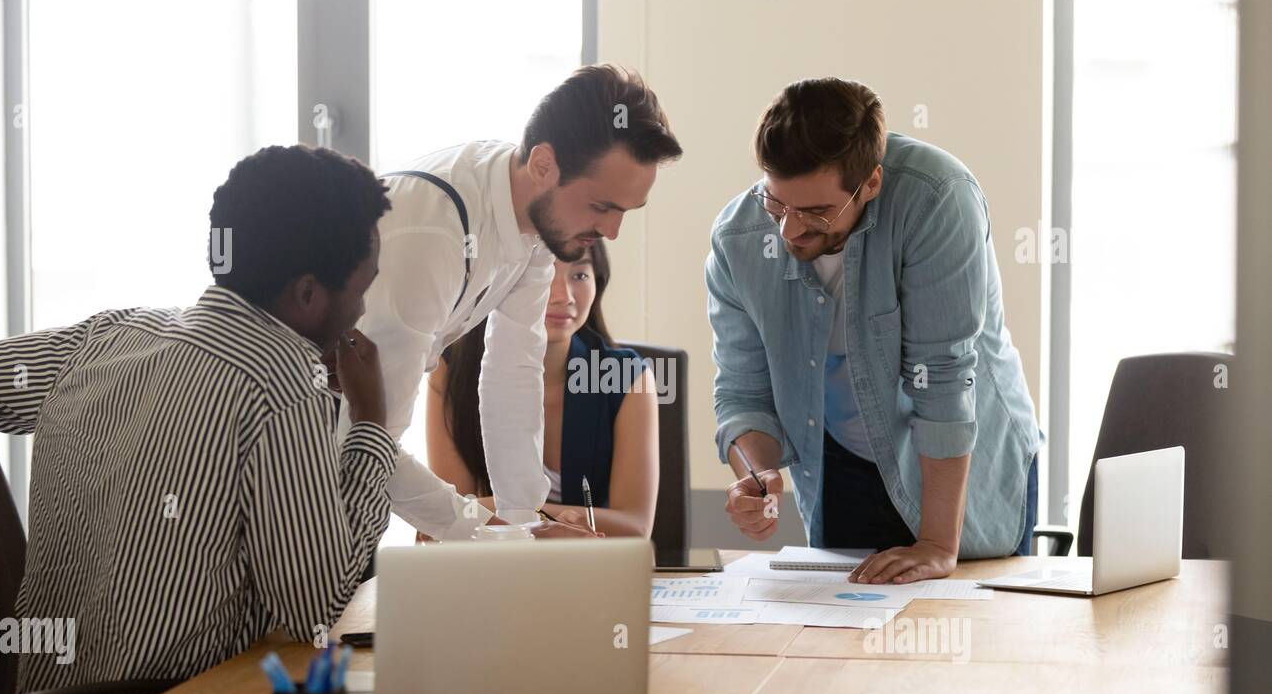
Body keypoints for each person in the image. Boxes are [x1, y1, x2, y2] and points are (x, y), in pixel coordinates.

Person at [0, 144, 395, 694]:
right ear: (308, 292)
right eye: (363, 287)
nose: (364, 309)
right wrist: (371, 427)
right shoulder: (279, 381)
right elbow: (314, 601)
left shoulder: (111, 335)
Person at [707, 78, 1042, 584]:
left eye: (817, 212)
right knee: (845, 644)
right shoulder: (738, 238)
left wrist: (935, 543)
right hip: (841, 466)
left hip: (960, 471)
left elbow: (943, 379)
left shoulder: (937, 200)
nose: (790, 231)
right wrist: (758, 474)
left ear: (872, 183)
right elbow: (742, 391)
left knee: (970, 640)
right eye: (777, 205)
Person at [343, 64, 681, 540]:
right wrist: (498, 535)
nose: (611, 232)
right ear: (544, 165)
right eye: (602, 207)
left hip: (344, 457)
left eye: (624, 212)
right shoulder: (431, 235)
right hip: (286, 447)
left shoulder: (536, 219)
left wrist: (522, 525)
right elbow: (371, 438)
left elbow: (513, 372)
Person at [426, 240, 659, 537]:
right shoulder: (450, 370)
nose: (563, 296)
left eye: (580, 275)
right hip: (493, 568)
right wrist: (554, 517)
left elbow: (636, 528)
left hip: (591, 569)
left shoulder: (628, 376)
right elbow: (450, 520)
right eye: (545, 273)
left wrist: (508, 510)